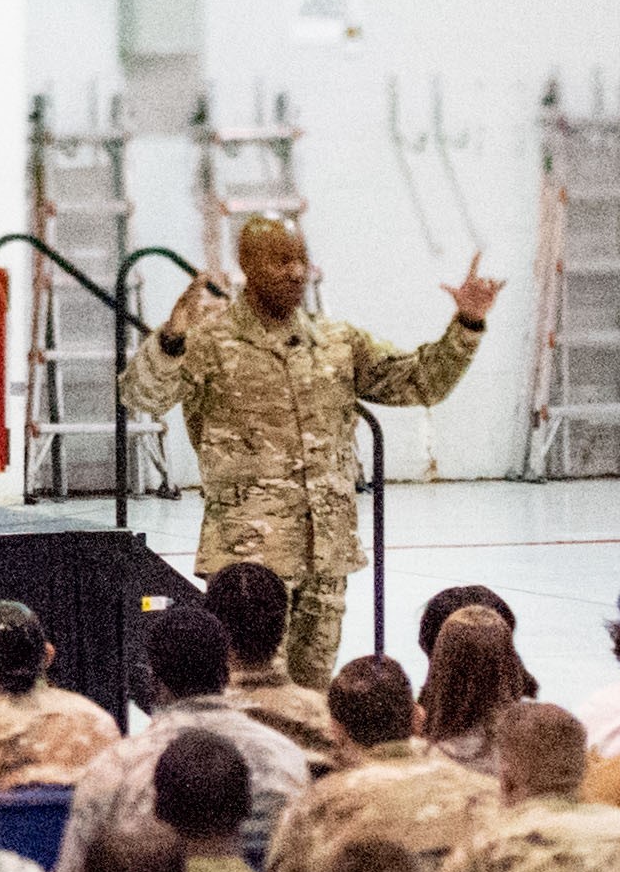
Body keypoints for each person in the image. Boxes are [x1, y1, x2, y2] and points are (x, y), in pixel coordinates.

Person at [122, 217, 502, 684]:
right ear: (248, 265)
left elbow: (421, 382)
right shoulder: (208, 342)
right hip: (249, 564)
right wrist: (170, 340)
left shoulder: (336, 342)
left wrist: (467, 323)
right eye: (281, 260)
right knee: (249, 689)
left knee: (313, 693)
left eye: (301, 259)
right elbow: (142, 396)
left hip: (325, 556)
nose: (295, 271)